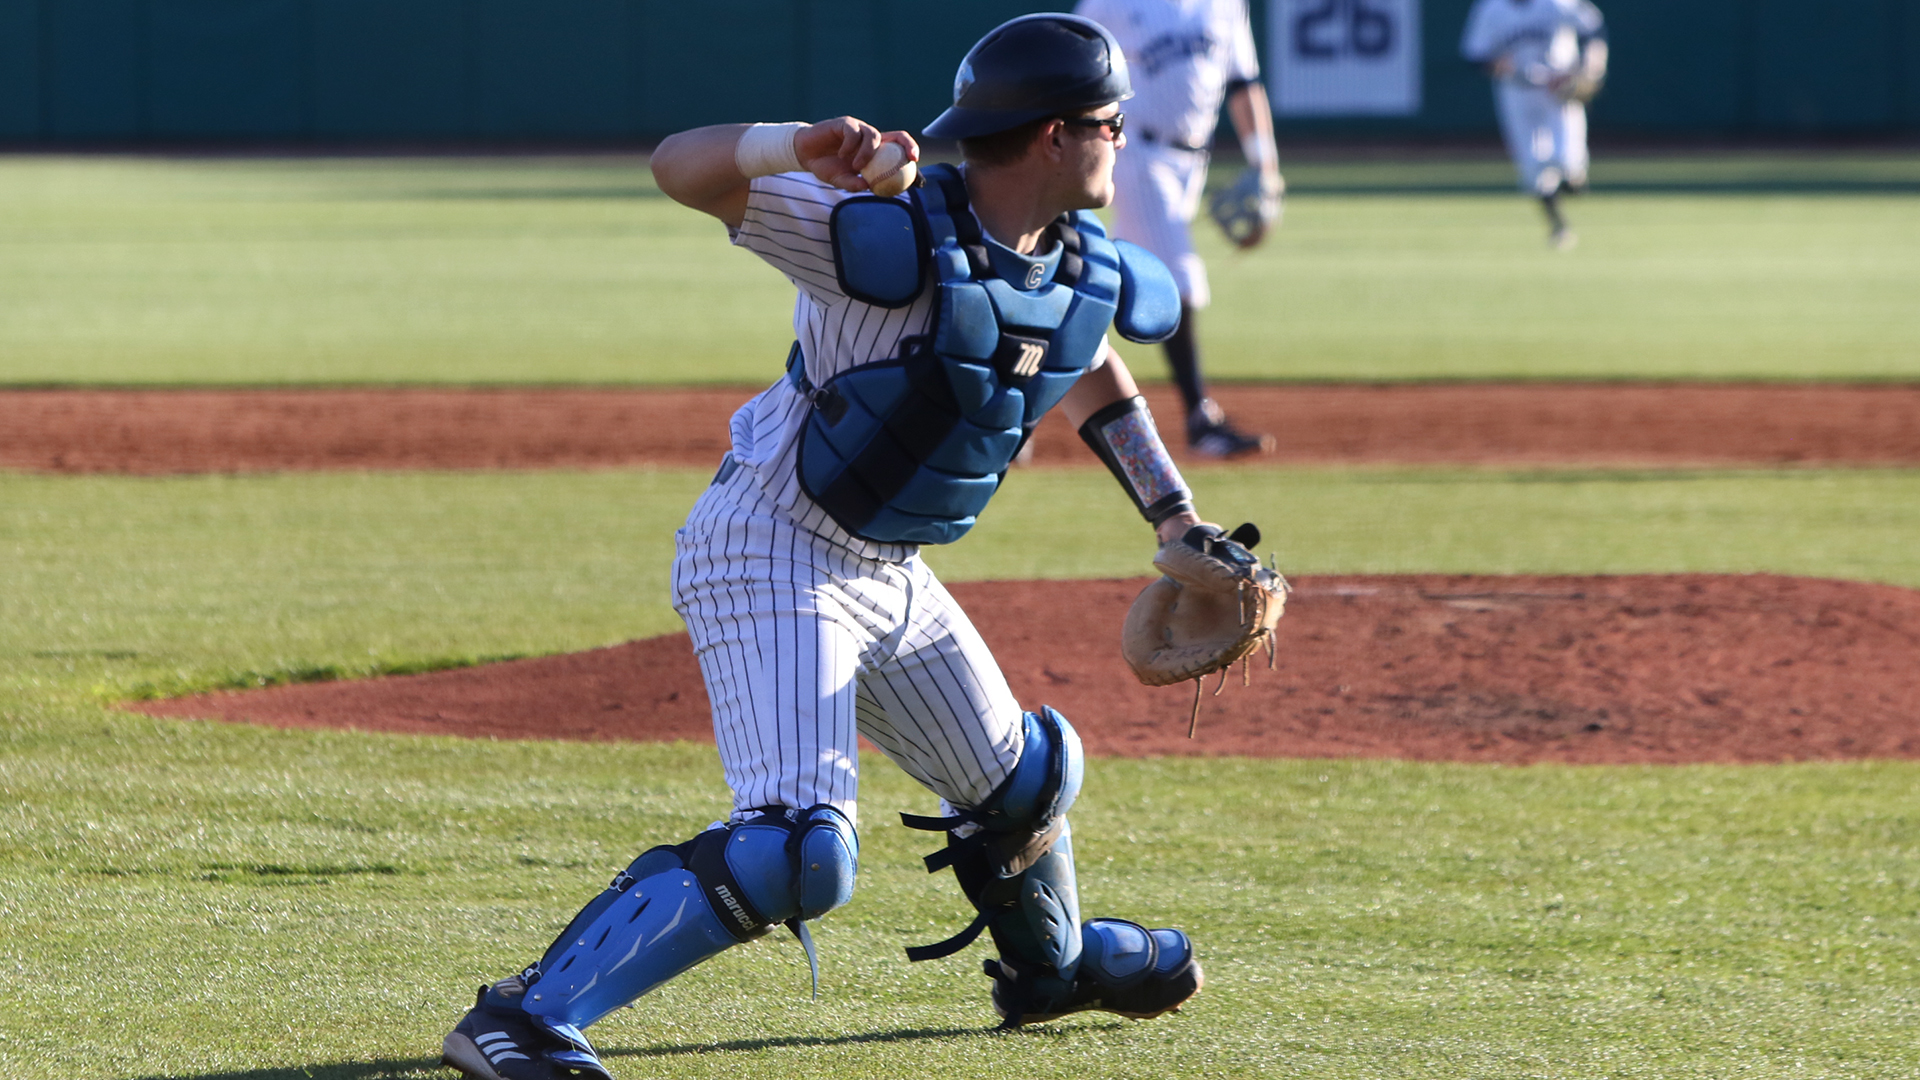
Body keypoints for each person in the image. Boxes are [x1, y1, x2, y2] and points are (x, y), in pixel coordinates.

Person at [438, 14, 1231, 1080]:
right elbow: (679, 167)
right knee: (799, 849)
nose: (1124, 137)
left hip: (891, 572)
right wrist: (790, 144)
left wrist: (1176, 518)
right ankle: (522, 1020)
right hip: (771, 548)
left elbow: (1081, 355)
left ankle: (1056, 967)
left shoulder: (1075, 263)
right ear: (1053, 134)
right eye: (1109, 121)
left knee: (1025, 784)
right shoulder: (882, 228)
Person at [1073, 0, 1282, 459]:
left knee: (1102, 285)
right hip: (1133, 150)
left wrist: (1265, 165)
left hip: (1193, 160)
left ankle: (1024, 393)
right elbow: (1069, 60)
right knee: (1179, 276)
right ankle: (1200, 421)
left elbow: (1244, 84)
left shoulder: (1226, 5)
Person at [1460, 0, 1609, 250]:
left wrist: (1591, 67)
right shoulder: (1490, 8)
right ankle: (1558, 226)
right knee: (1533, 168)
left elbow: (1594, 29)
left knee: (1567, 161)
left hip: (1559, 87)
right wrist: (1494, 65)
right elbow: (1474, 53)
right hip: (1516, 91)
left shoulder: (1557, 3)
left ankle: (1574, 181)